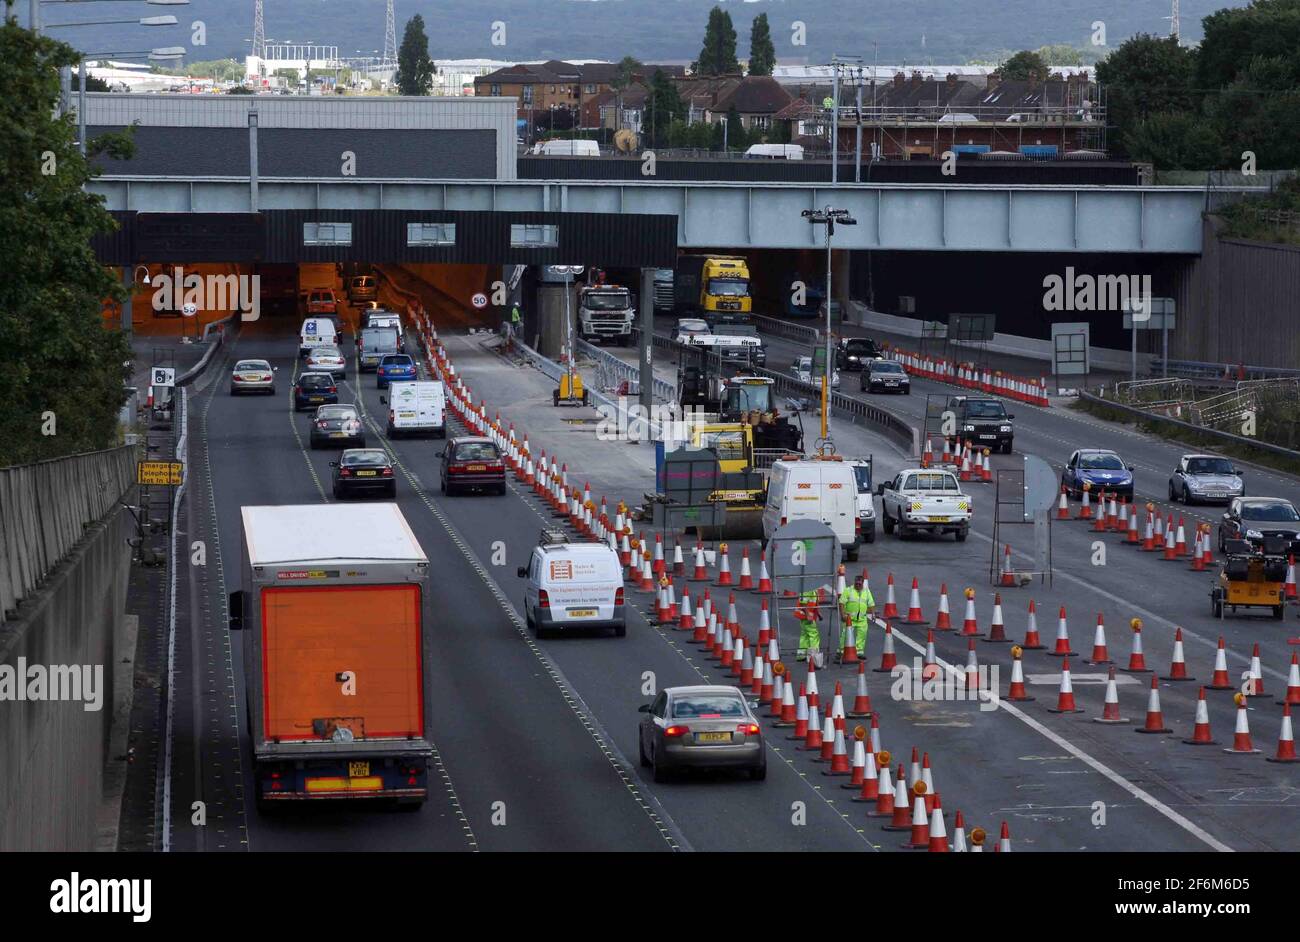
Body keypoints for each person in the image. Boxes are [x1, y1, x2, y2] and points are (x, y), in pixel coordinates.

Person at [839, 571, 875, 653]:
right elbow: (841, 603)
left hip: (862, 619)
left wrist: (873, 614)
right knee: (845, 636)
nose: (858, 585)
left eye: (860, 584)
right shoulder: (848, 590)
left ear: (862, 583)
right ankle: (841, 651)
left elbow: (871, 603)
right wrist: (842, 615)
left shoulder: (866, 591)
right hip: (849, 619)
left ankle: (859, 652)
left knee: (862, 636)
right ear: (854, 582)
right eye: (856, 583)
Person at [795, 587, 822, 662]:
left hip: (805, 616)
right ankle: (813, 656)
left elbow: (813, 604)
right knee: (814, 634)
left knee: (805, 634)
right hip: (806, 616)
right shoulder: (807, 590)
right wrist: (808, 616)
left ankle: (801, 654)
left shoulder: (813, 590)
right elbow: (803, 604)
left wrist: (818, 614)